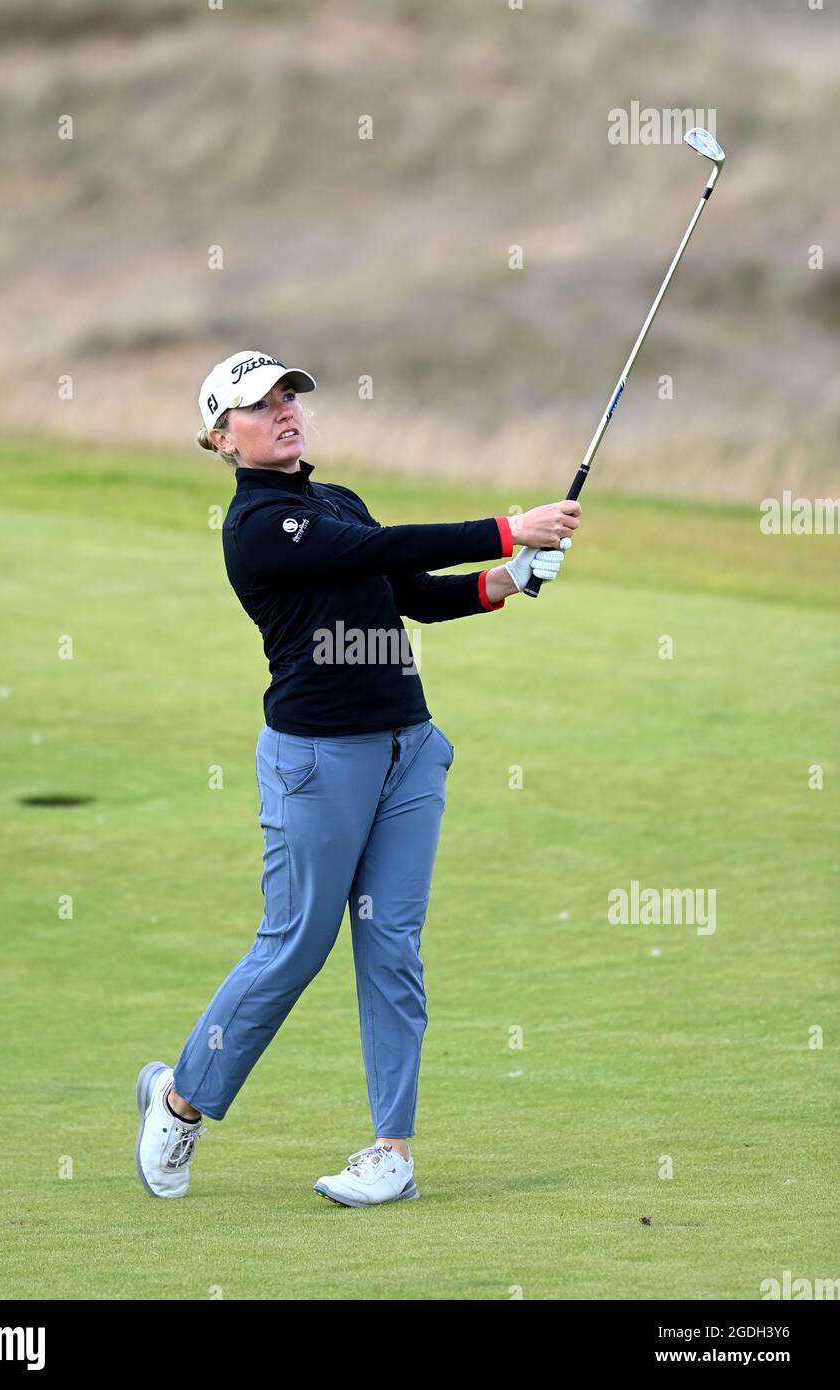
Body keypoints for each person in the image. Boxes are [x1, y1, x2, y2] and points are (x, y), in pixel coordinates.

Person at [135, 349, 580, 1206]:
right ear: (222, 438)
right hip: (317, 760)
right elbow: (373, 548)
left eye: (290, 397)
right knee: (295, 944)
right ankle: (182, 1100)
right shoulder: (261, 528)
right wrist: (508, 526)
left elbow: (407, 588)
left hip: (408, 750)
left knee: (391, 950)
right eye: (260, 407)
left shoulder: (335, 500)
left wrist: (503, 579)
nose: (285, 411)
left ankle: (392, 1154)